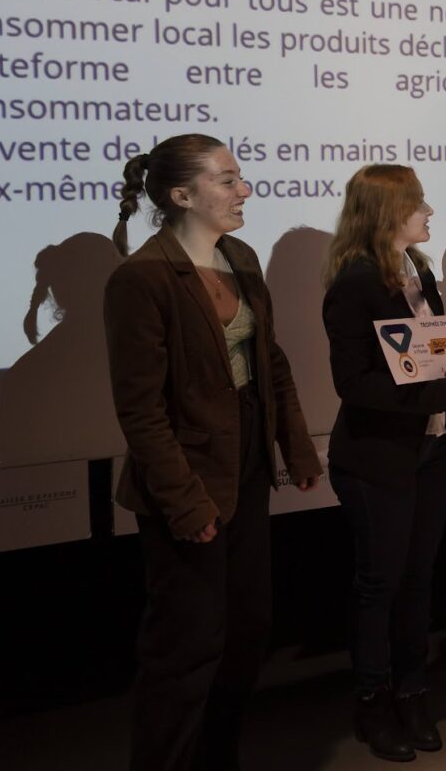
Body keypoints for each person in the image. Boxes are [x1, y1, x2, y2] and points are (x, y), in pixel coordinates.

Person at [105, 133, 322, 771]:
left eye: (239, 176)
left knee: (247, 630)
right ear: (181, 195)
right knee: (187, 644)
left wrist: (297, 449)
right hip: (187, 479)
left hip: (246, 466)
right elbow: (141, 411)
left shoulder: (240, 256)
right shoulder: (141, 277)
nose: (244, 189)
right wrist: (184, 502)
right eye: (227, 180)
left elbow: (269, 360)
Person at [322, 165, 446, 760]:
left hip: (428, 451)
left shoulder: (418, 270)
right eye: (419, 203)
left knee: (417, 581)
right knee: (379, 585)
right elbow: (354, 383)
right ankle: (373, 703)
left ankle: (413, 693)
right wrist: (442, 392)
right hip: (376, 459)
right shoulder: (355, 283)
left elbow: (426, 353)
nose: (430, 212)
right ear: (388, 213)